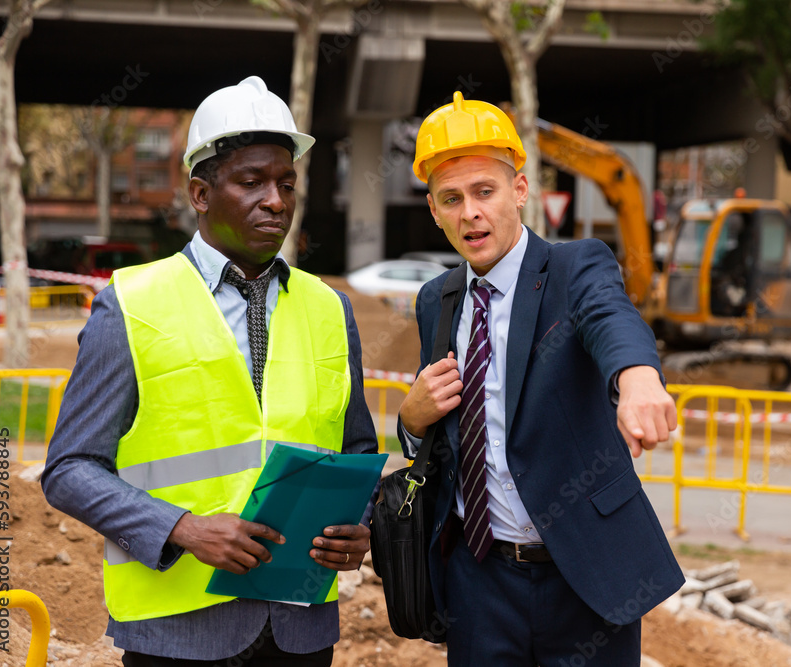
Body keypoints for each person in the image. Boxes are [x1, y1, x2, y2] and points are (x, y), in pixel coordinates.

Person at [41, 76, 378, 667]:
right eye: (252, 182)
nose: (276, 201)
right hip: (179, 633)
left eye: (286, 183)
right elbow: (70, 468)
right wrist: (183, 528)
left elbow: (355, 451)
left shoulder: (330, 308)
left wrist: (360, 524)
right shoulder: (132, 304)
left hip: (301, 630)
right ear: (200, 194)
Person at [397, 92, 685, 666]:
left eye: (485, 191)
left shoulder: (576, 268)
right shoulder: (436, 300)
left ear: (521, 191)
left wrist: (637, 378)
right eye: (451, 198)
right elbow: (440, 440)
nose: (470, 213)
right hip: (479, 580)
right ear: (433, 210)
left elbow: (611, 317)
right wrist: (411, 419)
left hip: (585, 573)